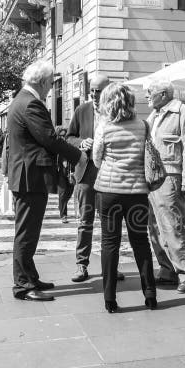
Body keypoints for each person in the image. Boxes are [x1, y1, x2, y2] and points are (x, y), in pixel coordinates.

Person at [7, 60, 85, 302]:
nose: (51, 88)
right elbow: (49, 139)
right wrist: (79, 156)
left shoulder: (22, 100)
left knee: (30, 231)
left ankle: (30, 276)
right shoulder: (31, 104)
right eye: (50, 83)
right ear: (41, 81)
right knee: (26, 233)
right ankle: (23, 285)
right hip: (30, 177)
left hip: (28, 175)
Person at [91, 83, 158, 313]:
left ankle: (110, 298)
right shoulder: (143, 126)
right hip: (137, 192)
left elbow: (96, 159)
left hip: (109, 193)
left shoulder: (104, 126)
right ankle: (150, 294)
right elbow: (148, 155)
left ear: (107, 103)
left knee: (110, 243)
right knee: (141, 242)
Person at [66, 74, 123, 283]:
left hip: (110, 172)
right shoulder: (82, 110)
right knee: (85, 221)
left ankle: (111, 267)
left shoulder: (117, 111)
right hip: (87, 172)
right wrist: (81, 143)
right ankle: (82, 265)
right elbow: (69, 137)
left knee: (110, 222)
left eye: (99, 91)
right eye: (92, 91)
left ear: (109, 90)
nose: (95, 95)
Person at [146, 79, 185, 293]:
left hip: (170, 176)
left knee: (172, 225)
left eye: (150, 92)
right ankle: (166, 269)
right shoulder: (154, 115)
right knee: (153, 227)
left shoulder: (182, 112)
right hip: (151, 177)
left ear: (163, 94)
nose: (147, 96)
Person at [56, 126, 75, 223]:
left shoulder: (69, 146)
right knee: (62, 194)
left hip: (70, 173)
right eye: (61, 136)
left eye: (65, 136)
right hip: (60, 174)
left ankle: (61, 205)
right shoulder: (56, 147)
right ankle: (63, 215)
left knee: (69, 193)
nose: (63, 138)